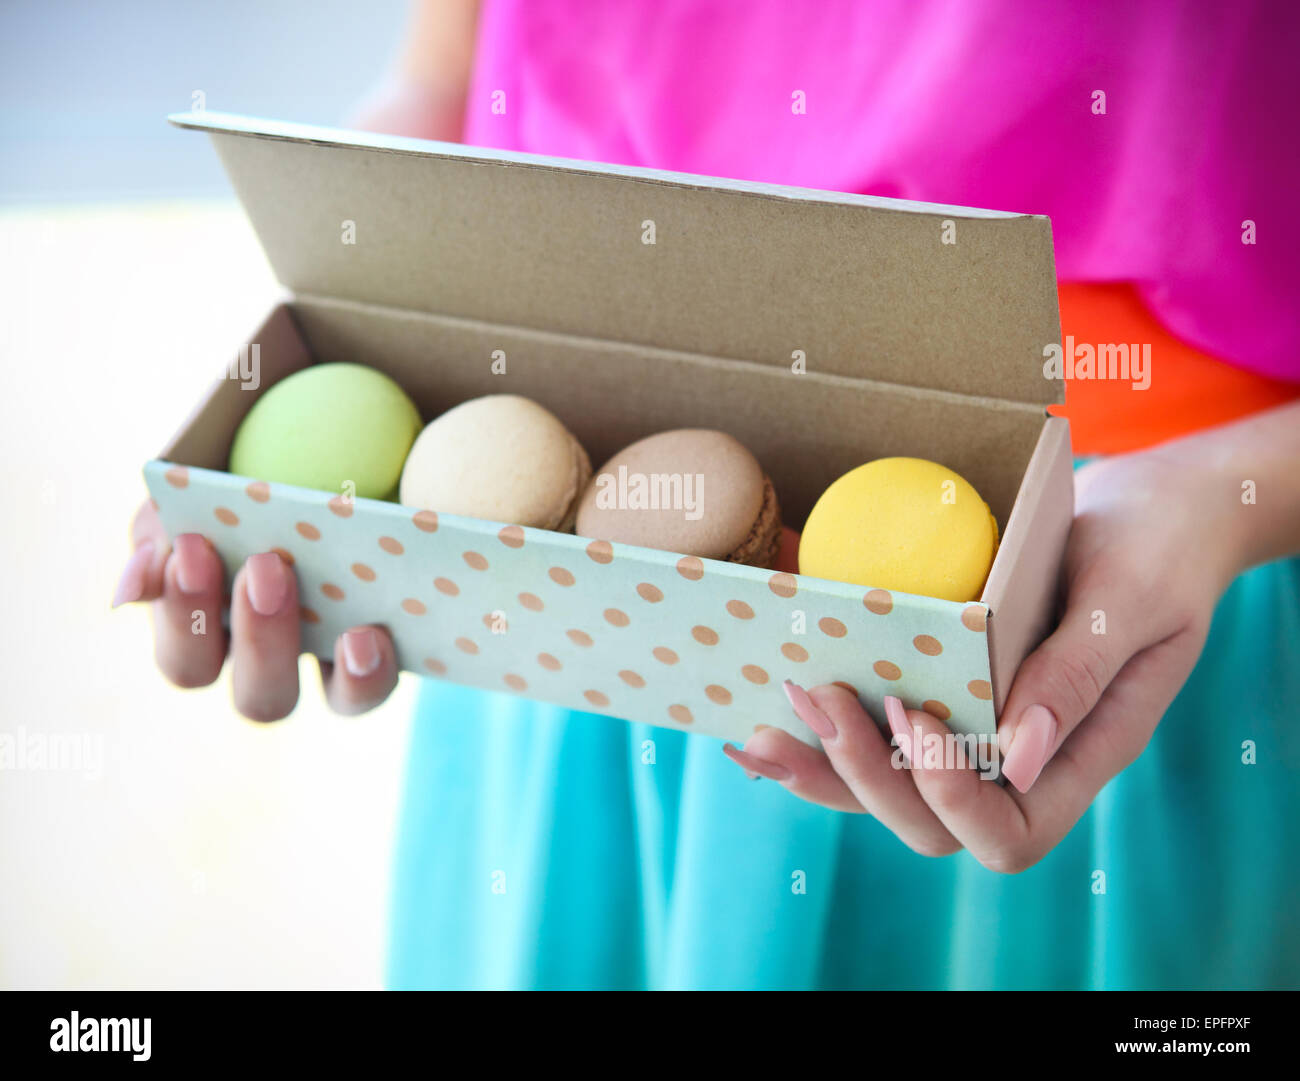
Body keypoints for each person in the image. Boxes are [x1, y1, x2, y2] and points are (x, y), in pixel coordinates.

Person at [115, 0, 1300, 989]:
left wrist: (1224, 498)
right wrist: (312, 402)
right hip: (554, 601)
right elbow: (445, 77)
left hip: (1100, 582)